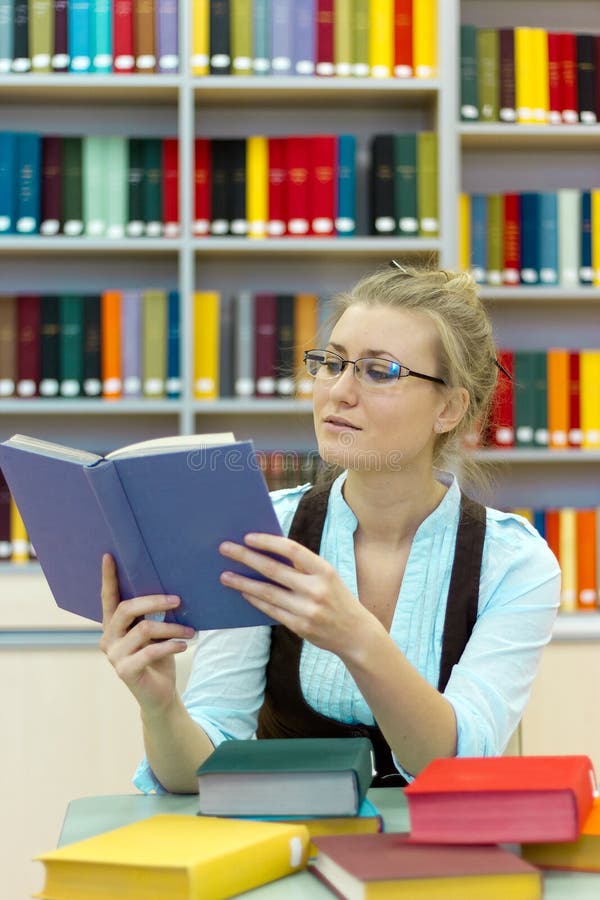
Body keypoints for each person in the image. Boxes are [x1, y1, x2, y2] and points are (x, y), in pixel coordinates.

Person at [100, 263, 561, 795]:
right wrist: (160, 706)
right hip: (286, 836)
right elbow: (197, 774)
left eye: (380, 371)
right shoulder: (264, 531)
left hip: (439, 844)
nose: (339, 391)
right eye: (332, 363)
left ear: (450, 408)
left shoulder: (515, 564)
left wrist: (356, 637)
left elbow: (455, 765)